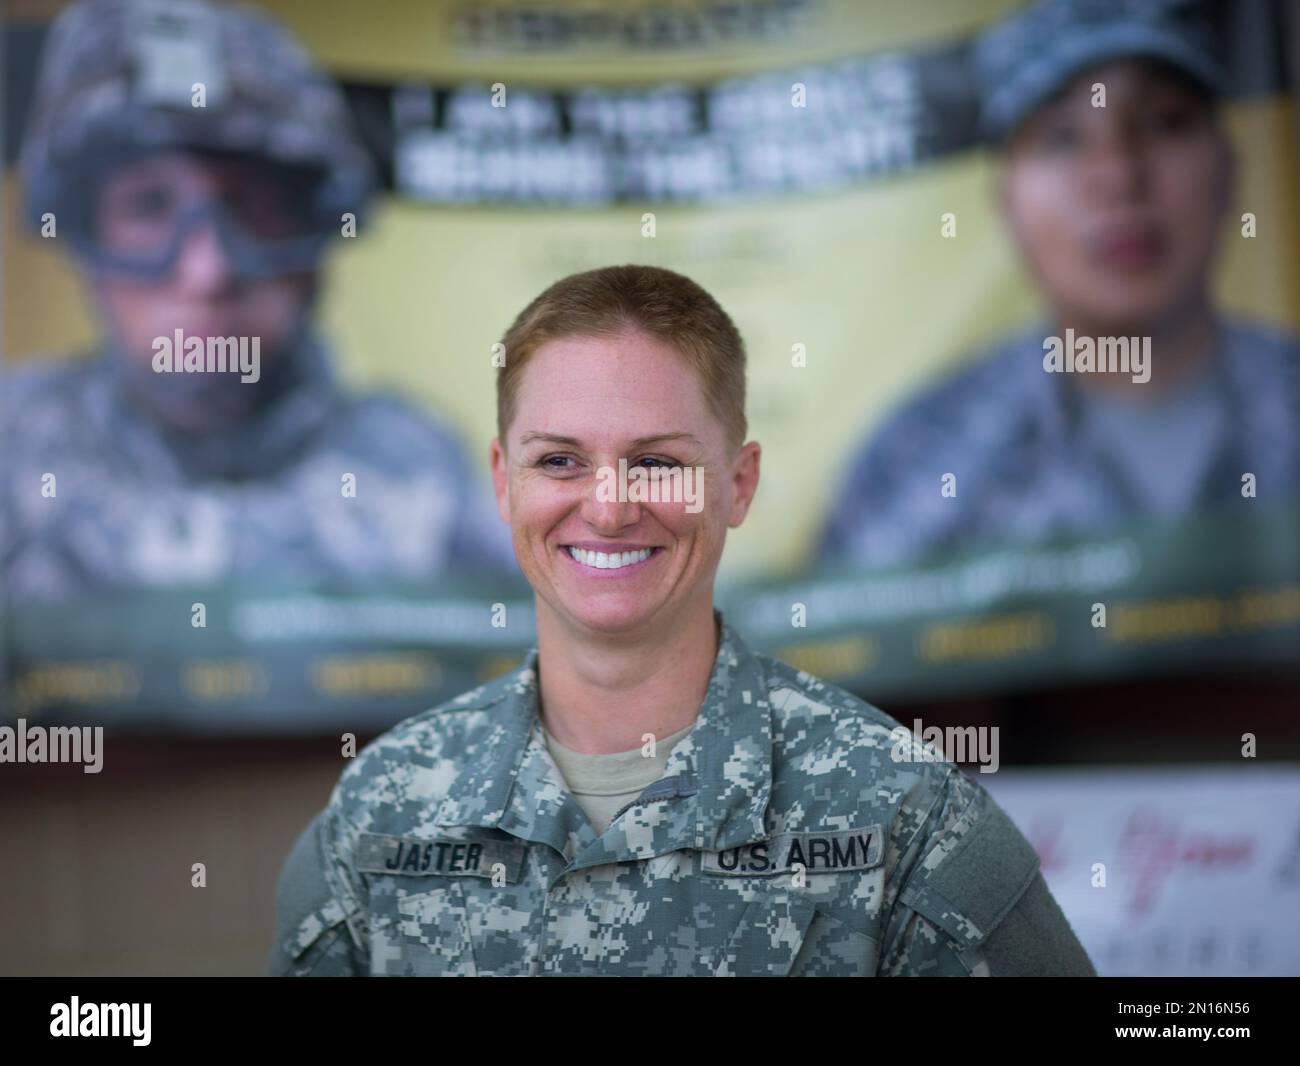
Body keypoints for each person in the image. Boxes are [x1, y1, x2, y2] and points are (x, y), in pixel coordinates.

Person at [266, 264, 1095, 976]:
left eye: (657, 462)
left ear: (738, 484)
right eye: (559, 460)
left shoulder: (902, 814)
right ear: (501, 481)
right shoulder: (381, 814)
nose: (611, 507)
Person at [1, 0, 515, 607]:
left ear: (316, 249)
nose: (208, 271)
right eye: (150, 207)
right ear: (86, 237)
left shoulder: (426, 482)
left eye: (257, 211)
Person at [817, 0, 1300, 570]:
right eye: (1063, 137)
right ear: (1006, 202)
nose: (1119, 175)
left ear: (1228, 166)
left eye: (1166, 121)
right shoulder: (922, 459)